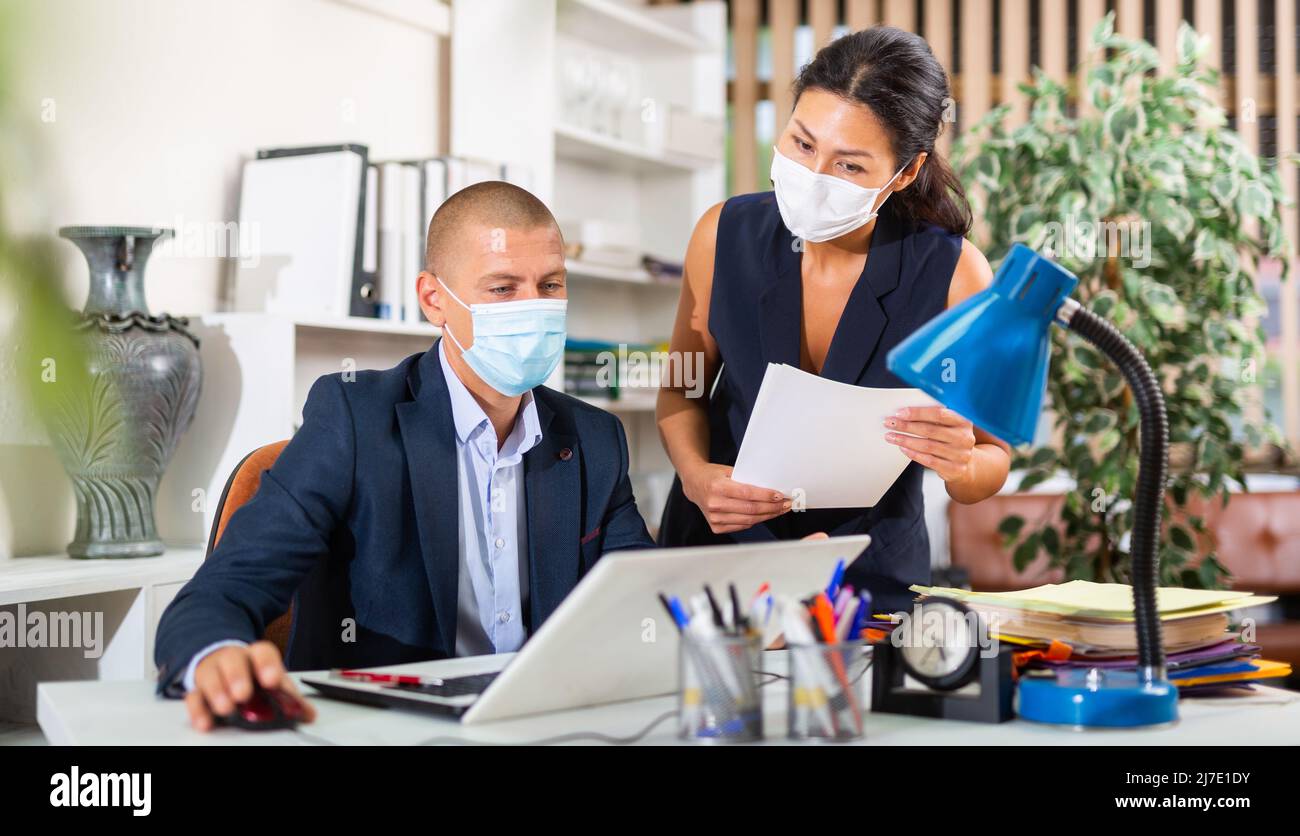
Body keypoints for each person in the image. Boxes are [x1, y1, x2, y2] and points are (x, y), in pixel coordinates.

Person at [155, 181, 655, 730]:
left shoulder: (594, 438)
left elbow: (642, 605)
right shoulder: (353, 417)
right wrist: (218, 656)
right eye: (503, 288)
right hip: (385, 731)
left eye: (550, 284)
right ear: (434, 299)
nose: (533, 307)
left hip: (546, 726)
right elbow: (222, 591)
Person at [655, 26, 1011, 612]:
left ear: (903, 172)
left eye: (849, 166)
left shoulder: (955, 276)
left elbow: (990, 459)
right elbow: (681, 392)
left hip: (868, 578)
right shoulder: (721, 236)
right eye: (801, 143)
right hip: (721, 560)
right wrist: (696, 475)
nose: (815, 176)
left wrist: (963, 461)